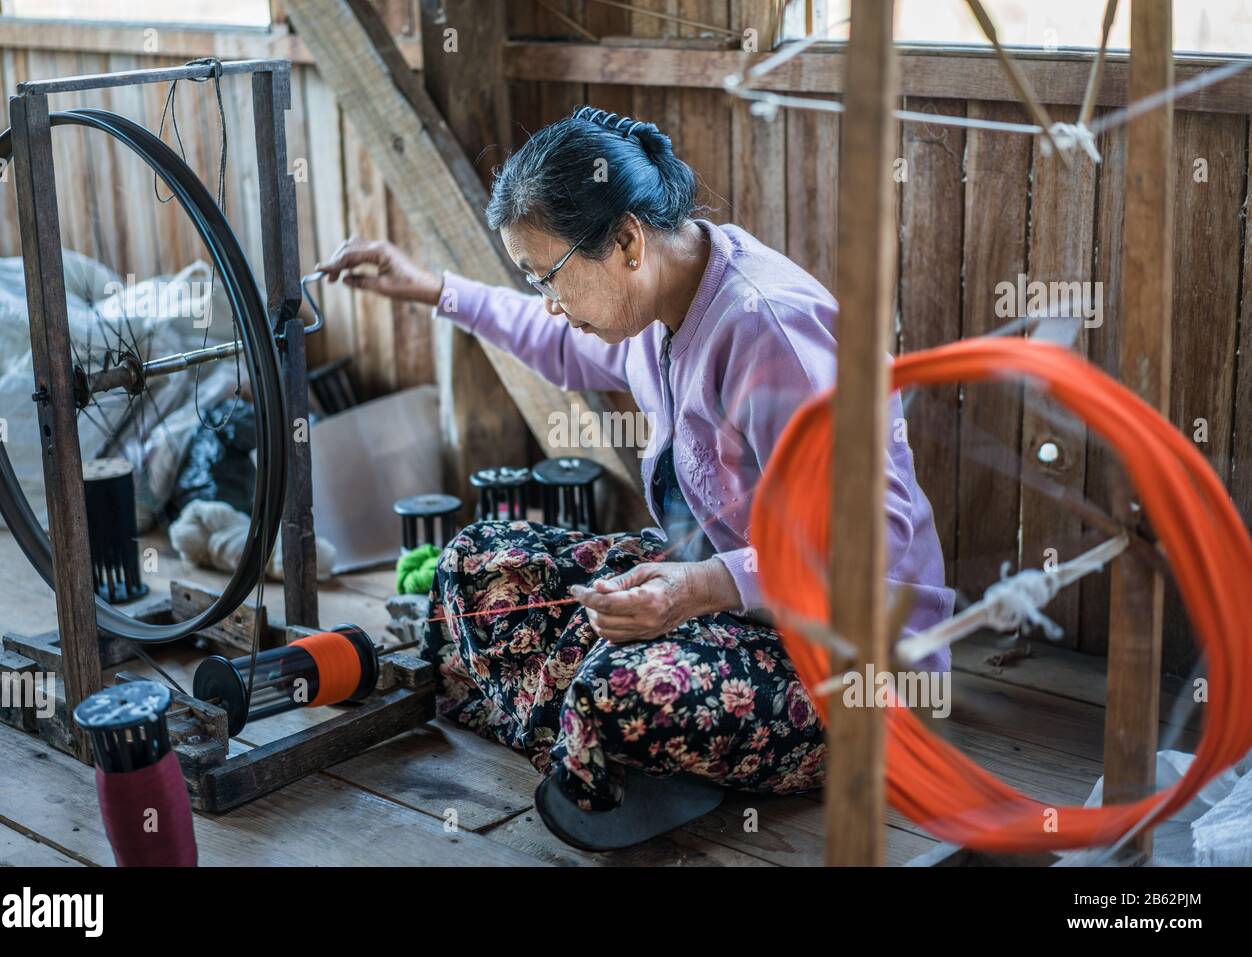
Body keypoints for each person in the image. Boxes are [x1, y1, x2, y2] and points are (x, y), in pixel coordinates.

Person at [317, 105, 954, 850]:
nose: (549, 303)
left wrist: (696, 588)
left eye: (549, 276)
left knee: (615, 686)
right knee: (475, 565)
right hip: (734, 609)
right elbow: (553, 340)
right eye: (533, 280)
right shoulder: (660, 301)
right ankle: (638, 744)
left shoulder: (770, 329)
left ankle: (609, 724)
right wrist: (434, 290)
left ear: (626, 239)